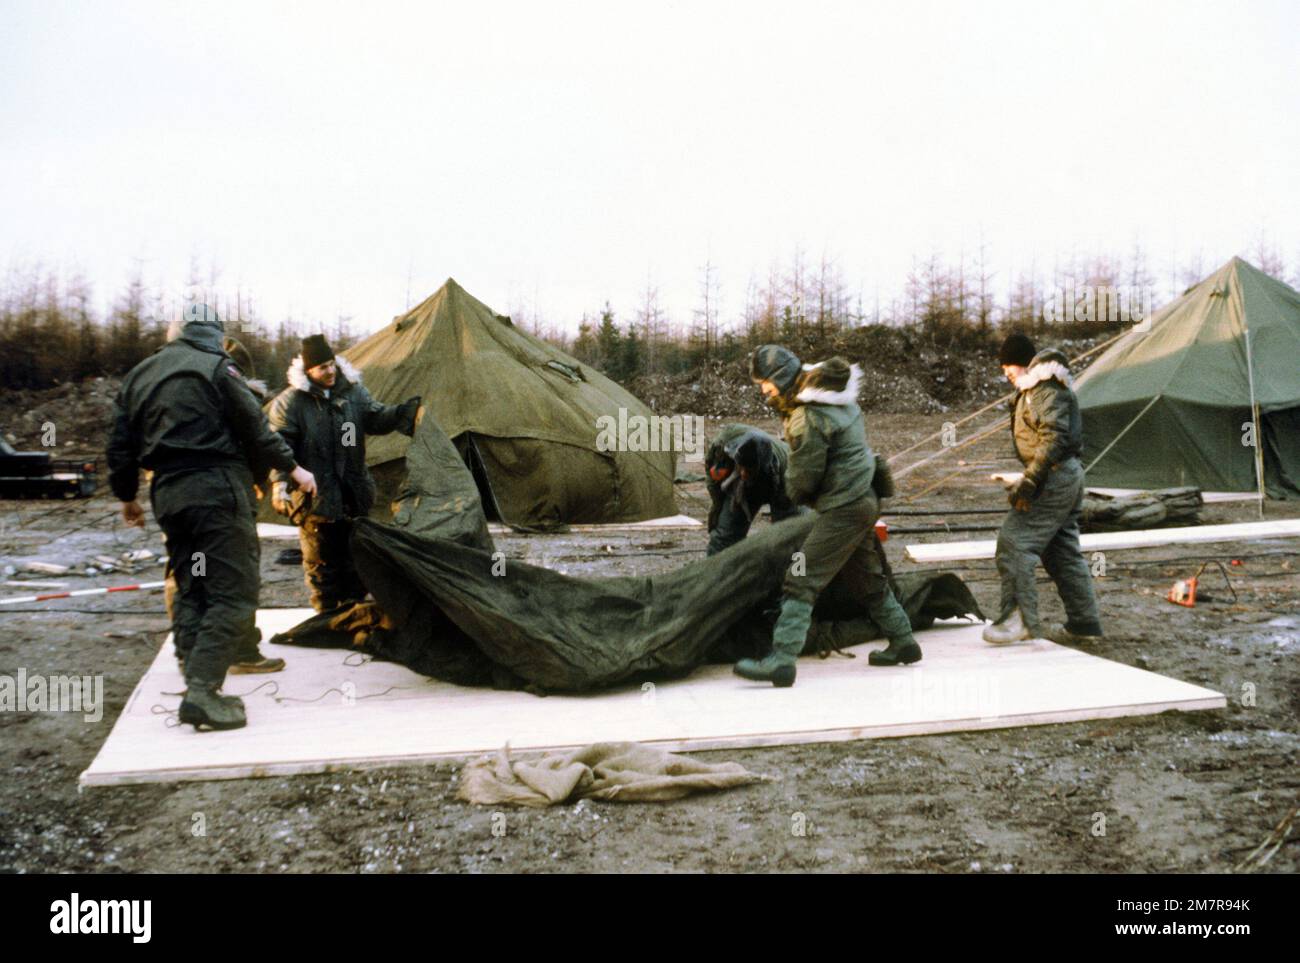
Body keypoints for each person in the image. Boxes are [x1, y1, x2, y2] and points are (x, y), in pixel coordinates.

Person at [107, 304, 317, 730]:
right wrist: (293, 469)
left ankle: (193, 672)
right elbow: (255, 430)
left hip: (169, 495)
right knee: (233, 593)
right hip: (216, 491)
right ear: (213, 335)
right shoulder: (218, 368)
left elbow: (119, 443)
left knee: (191, 583)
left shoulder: (139, 375)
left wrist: (127, 495)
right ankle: (203, 692)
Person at [734, 345, 920, 687]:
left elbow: (805, 475)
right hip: (865, 499)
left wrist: (790, 492)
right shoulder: (839, 399)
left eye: (765, 384)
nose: (764, 391)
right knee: (867, 579)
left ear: (781, 378)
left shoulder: (807, 416)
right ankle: (904, 641)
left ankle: (781, 661)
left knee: (800, 576)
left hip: (843, 508)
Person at [162, 335, 287, 675]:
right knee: (234, 575)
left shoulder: (172, 397)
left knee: (192, 573)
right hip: (226, 500)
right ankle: (239, 651)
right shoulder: (241, 400)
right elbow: (259, 444)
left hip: (182, 499)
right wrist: (264, 481)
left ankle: (192, 653)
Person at [267, 334, 420, 612]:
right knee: (322, 568)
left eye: (332, 364)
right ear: (308, 370)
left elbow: (376, 418)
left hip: (353, 496)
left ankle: (353, 618)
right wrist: (280, 485)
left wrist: (403, 414)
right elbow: (279, 447)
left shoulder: (353, 393)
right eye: (322, 367)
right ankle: (327, 619)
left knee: (357, 565)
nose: (330, 371)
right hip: (316, 501)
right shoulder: (291, 403)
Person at [983, 333, 1104, 645]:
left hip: (1054, 476)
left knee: (1014, 542)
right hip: (1061, 474)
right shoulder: (1037, 388)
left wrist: (1031, 479)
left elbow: (1054, 436)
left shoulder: (1044, 387)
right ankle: (1084, 623)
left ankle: (1019, 619)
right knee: (1061, 552)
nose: (1006, 374)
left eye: (1008, 367)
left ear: (1023, 364)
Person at [704, 424, 804, 556]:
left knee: (788, 538)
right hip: (740, 486)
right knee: (724, 536)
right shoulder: (724, 446)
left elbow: (787, 522)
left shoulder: (787, 470)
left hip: (782, 485)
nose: (744, 474)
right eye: (742, 468)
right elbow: (711, 475)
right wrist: (717, 506)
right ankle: (718, 568)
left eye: (749, 471)